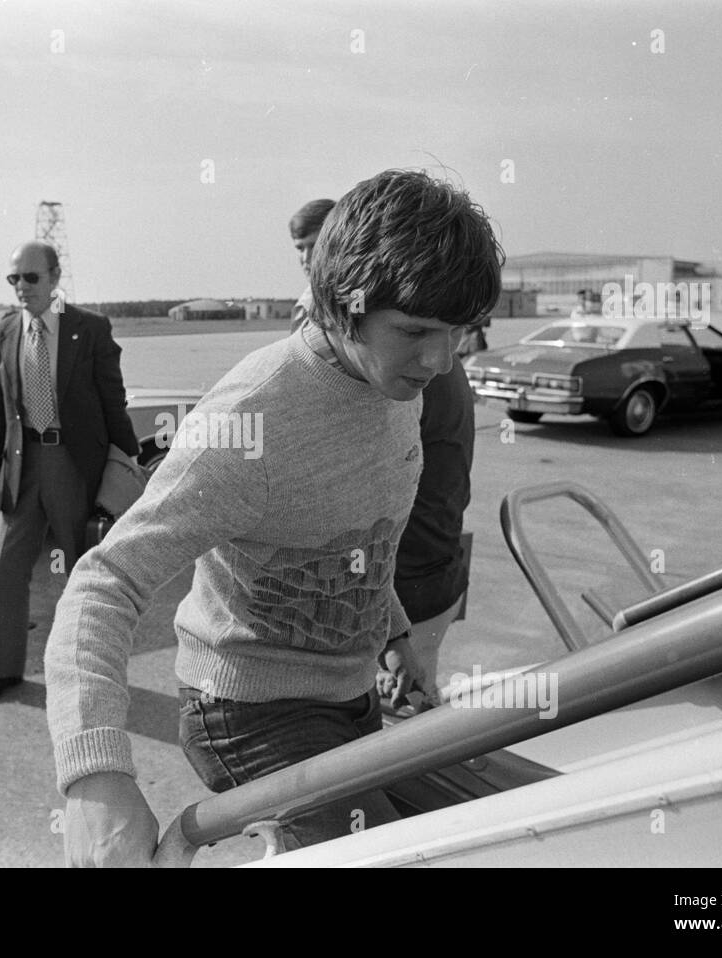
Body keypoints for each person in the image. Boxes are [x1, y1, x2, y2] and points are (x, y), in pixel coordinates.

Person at [46, 169, 503, 865]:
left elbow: (361, 538)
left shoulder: (395, 383)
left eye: (457, 332)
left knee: (498, 828)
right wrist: (94, 779)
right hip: (249, 710)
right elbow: (103, 584)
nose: (441, 360)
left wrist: (397, 633)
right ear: (346, 306)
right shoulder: (251, 421)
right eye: (416, 331)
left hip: (350, 693)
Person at [290, 194, 478, 707]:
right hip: (427, 568)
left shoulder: (394, 369)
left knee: (396, 714)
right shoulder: (419, 357)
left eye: (316, 246)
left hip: (406, 575)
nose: (307, 261)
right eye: (300, 250)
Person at [0, 241, 142, 706]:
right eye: (14, 280)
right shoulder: (2, 334)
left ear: (54, 276)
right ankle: (4, 672)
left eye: (31, 278)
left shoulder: (88, 329)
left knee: (82, 574)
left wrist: (128, 465)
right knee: (6, 568)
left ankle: (88, 674)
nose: (21, 288)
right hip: (22, 468)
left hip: (73, 465)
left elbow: (112, 402)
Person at [288, 198, 336, 333]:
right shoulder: (305, 304)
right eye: (300, 248)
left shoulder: (358, 299)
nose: (306, 258)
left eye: (314, 246)